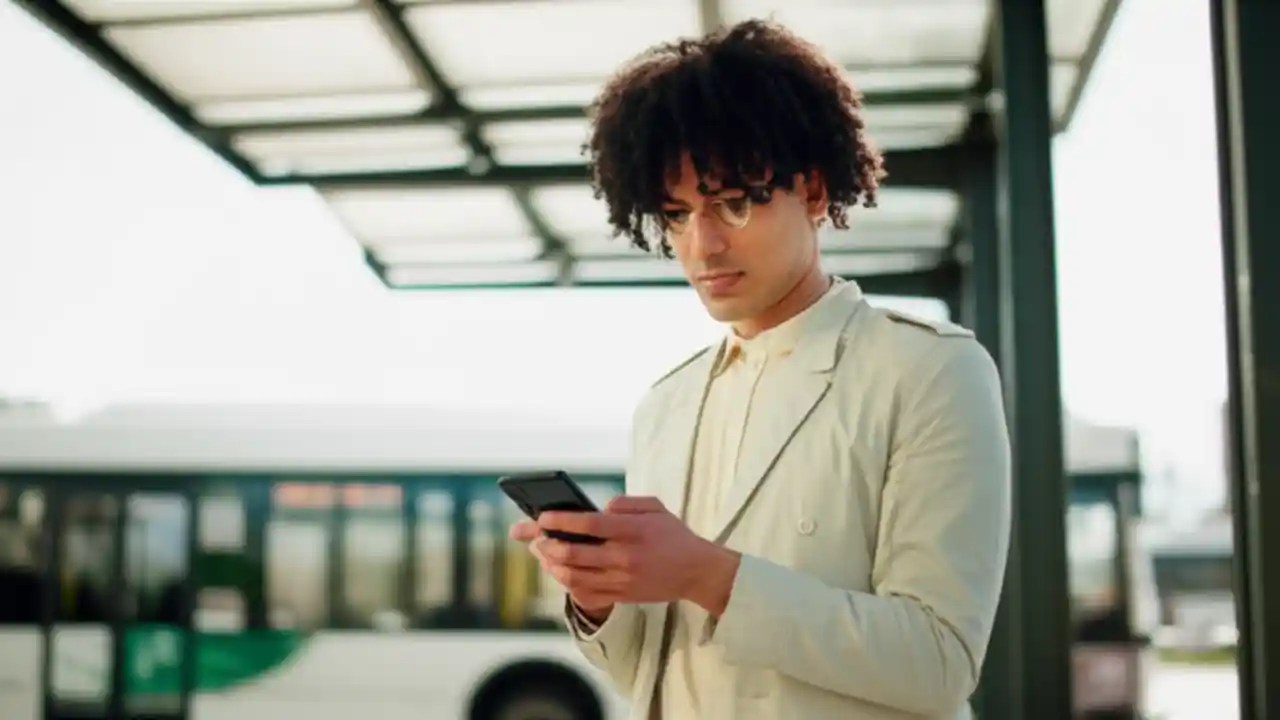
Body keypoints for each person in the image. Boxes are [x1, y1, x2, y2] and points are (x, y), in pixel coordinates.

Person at [509, 18, 1011, 720]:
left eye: (734, 203)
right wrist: (599, 598)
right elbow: (649, 676)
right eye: (676, 215)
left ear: (811, 192)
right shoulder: (667, 403)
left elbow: (939, 663)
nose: (702, 245)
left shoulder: (928, 370)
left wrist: (708, 575)